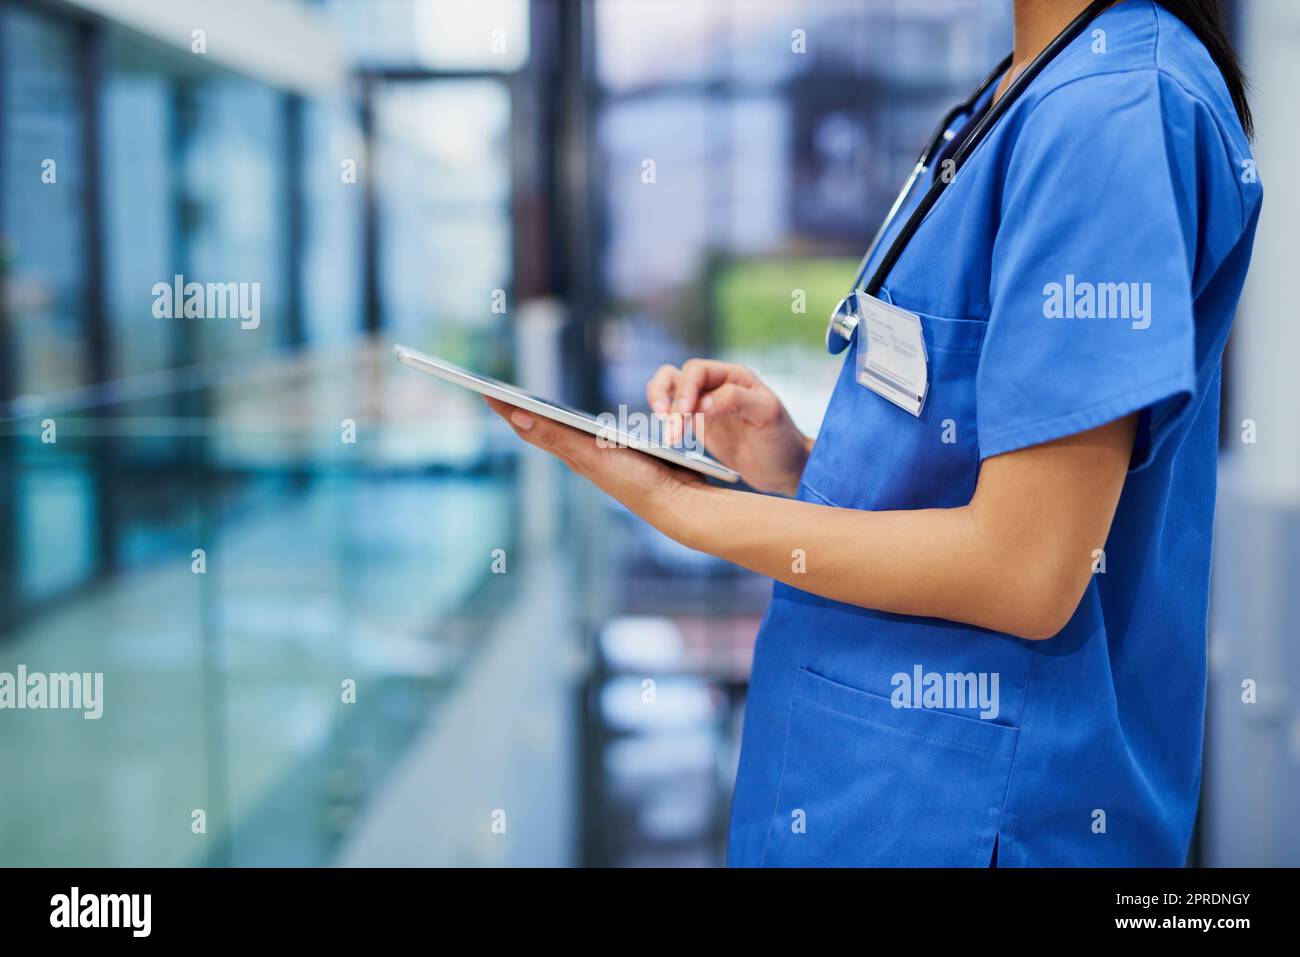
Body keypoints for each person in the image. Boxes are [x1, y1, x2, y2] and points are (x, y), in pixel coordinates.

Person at [486, 0, 1262, 866]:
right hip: (871, 792)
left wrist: (682, 507)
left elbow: (1027, 568)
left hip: (973, 815)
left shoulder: (1112, 111)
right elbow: (979, 479)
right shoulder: (1026, 85)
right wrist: (798, 467)